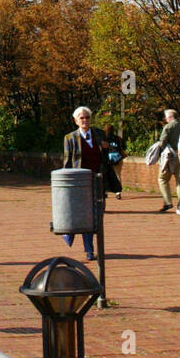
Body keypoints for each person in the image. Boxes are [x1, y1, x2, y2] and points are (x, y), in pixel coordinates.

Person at [62, 106, 107, 260]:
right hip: (79, 181)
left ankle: (88, 247)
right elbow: (67, 162)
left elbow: (105, 156)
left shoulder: (99, 135)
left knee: (95, 215)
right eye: (82, 118)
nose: (85, 120)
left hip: (97, 181)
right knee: (82, 214)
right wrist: (67, 185)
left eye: (87, 117)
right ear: (76, 121)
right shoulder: (70, 138)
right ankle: (73, 236)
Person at [156, 109, 180, 213]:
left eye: (166, 117)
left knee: (162, 179)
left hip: (170, 156)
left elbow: (162, 142)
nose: (165, 119)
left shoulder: (168, 127)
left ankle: (167, 202)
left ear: (170, 117)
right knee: (179, 181)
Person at [103, 124, 125, 200]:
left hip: (107, 158)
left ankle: (105, 192)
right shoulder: (118, 138)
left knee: (106, 175)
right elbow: (123, 148)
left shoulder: (104, 139)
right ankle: (118, 193)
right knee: (118, 174)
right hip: (118, 158)